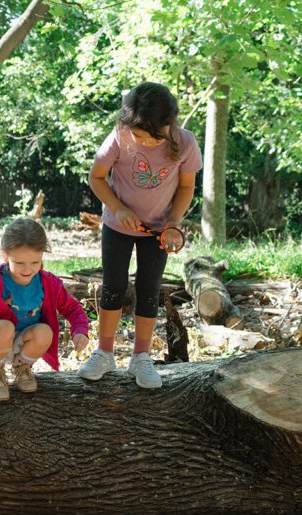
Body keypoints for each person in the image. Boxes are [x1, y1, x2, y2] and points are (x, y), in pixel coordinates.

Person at [78, 81, 202, 389]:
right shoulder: (120, 136)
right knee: (113, 285)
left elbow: (186, 187)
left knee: (149, 289)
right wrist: (118, 209)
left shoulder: (185, 143)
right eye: (137, 134)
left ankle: (141, 357)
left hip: (158, 230)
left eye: (148, 136)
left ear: (167, 126)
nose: (142, 141)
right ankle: (104, 352)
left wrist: (173, 221)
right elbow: (96, 177)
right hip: (118, 227)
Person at [0, 219, 90, 401]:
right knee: (5, 326)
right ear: (5, 255)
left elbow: (72, 308)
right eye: (20, 262)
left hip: (25, 341)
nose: (28, 269)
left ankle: (22, 367)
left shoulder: (48, 284)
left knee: (45, 332)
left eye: (35, 262)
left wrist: (80, 330)